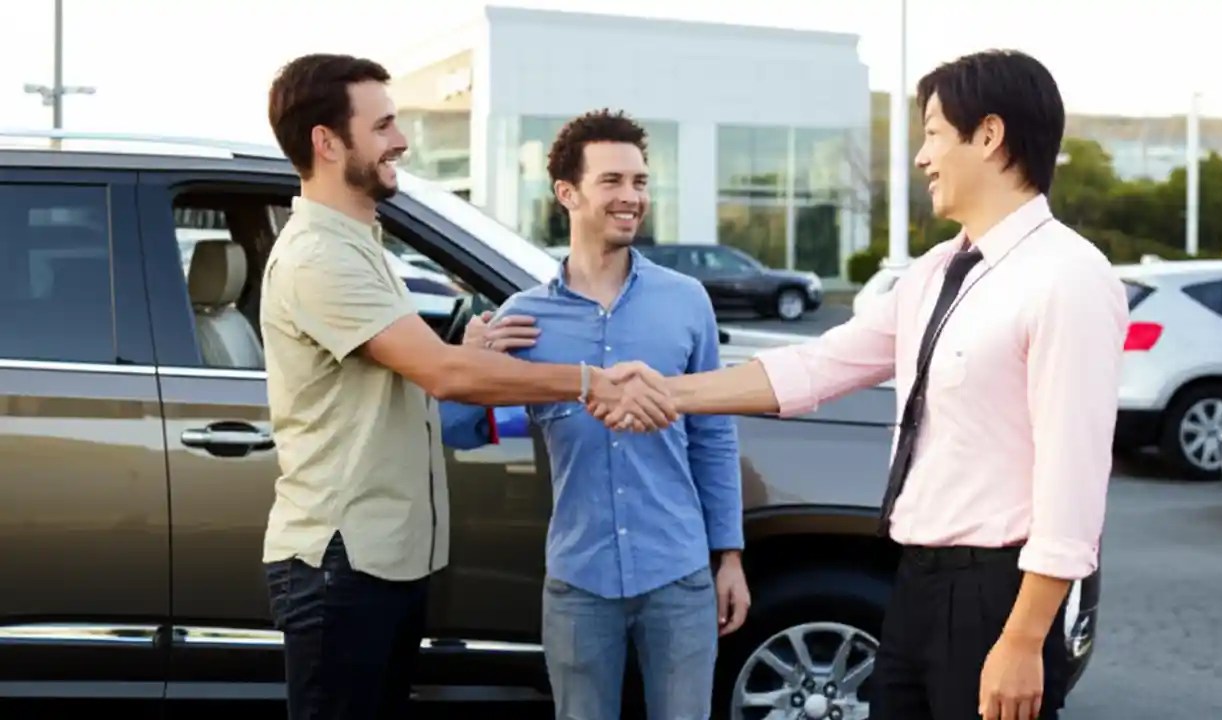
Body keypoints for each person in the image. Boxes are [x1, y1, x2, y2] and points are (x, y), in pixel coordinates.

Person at [599, 50, 1128, 720]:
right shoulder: (938, 271)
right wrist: (669, 392)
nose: (922, 157)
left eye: (934, 133)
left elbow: (1073, 481)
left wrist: (1023, 638)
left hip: (998, 592)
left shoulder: (1069, 277)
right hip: (915, 582)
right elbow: (821, 366)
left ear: (989, 135)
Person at [257, 55, 675, 720]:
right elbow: (445, 376)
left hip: (380, 559)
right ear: (327, 142)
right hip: (342, 566)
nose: (402, 141)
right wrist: (592, 379)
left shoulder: (360, 242)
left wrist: (459, 351)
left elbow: (408, 373)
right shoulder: (321, 256)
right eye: (385, 125)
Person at [461, 109, 751, 719]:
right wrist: (469, 365)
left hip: (678, 573)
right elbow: (463, 426)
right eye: (613, 181)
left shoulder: (685, 301)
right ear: (567, 193)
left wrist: (729, 556)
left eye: (641, 182)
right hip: (579, 579)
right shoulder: (523, 317)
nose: (632, 197)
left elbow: (714, 435)